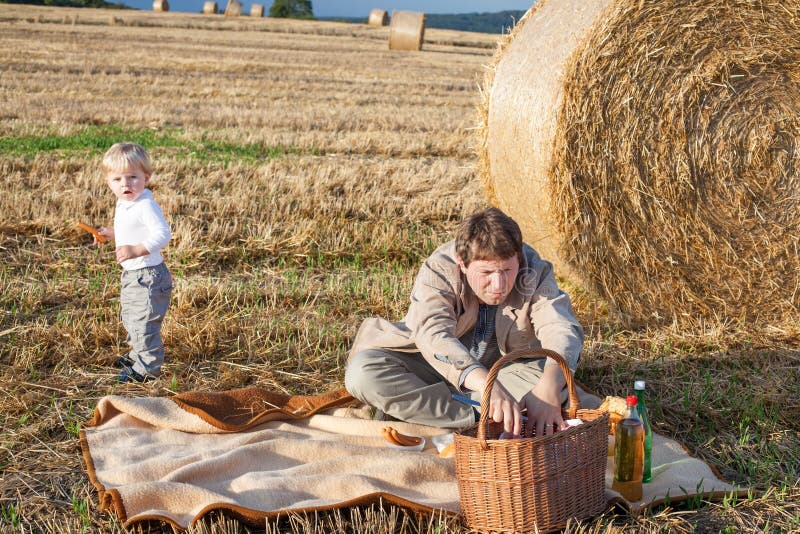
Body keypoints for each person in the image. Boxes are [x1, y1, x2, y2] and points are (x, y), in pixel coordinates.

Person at [345, 207, 583, 437]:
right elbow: (433, 335)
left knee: (553, 377)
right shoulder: (439, 269)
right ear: (462, 262)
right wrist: (489, 388)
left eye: (507, 270)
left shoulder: (534, 269)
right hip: (435, 365)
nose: (499, 285)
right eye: (487, 273)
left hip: (508, 370)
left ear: (518, 259)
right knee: (363, 373)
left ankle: (430, 412)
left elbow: (560, 328)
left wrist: (548, 388)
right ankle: (479, 418)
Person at [95, 142, 173, 383]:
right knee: (131, 318)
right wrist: (113, 234)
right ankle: (138, 353)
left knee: (144, 323)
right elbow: (132, 231)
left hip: (149, 276)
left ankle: (147, 368)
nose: (125, 184)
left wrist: (136, 249)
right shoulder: (125, 203)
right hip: (133, 274)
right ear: (108, 182)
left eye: (132, 177)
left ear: (146, 178)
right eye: (118, 179)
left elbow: (163, 234)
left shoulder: (145, 205)